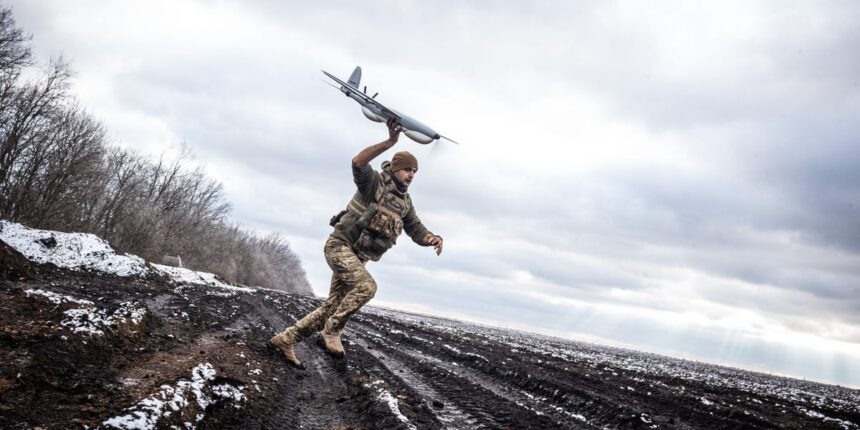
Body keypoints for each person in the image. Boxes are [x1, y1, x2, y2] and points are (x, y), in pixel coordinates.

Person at [270, 118, 443, 369]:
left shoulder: (405, 203)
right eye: (408, 169)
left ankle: (285, 340)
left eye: (415, 171)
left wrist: (431, 239)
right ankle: (332, 332)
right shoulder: (373, 183)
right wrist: (390, 141)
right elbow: (357, 162)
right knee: (366, 287)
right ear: (395, 169)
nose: (411, 175)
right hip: (340, 246)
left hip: (358, 257)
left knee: (332, 307)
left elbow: (415, 228)